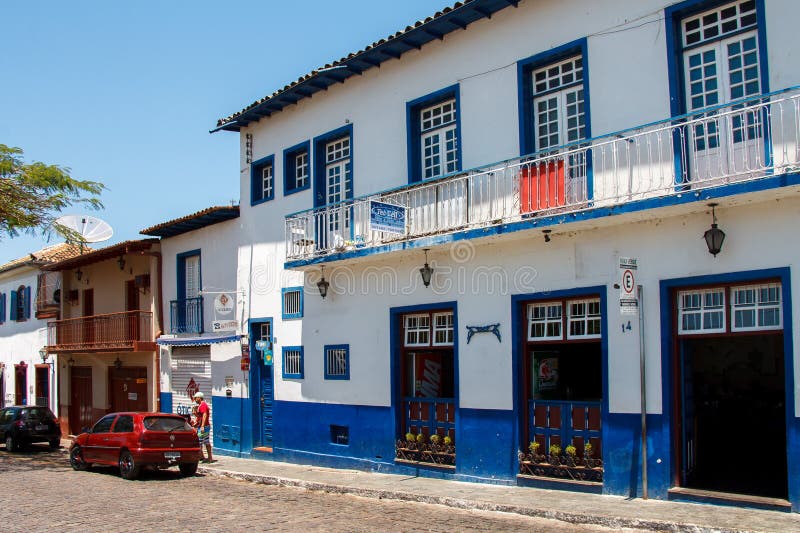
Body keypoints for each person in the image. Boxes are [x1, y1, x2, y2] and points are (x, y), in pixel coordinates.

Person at [193, 391, 213, 463]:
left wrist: (202, 426)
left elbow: (204, 415)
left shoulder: (203, 405)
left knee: (200, 442)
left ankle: (201, 457)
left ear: (199, 398)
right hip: (204, 426)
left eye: (195, 398)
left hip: (204, 427)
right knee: (206, 441)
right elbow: (200, 417)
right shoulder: (200, 405)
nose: (195, 399)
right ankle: (206, 457)